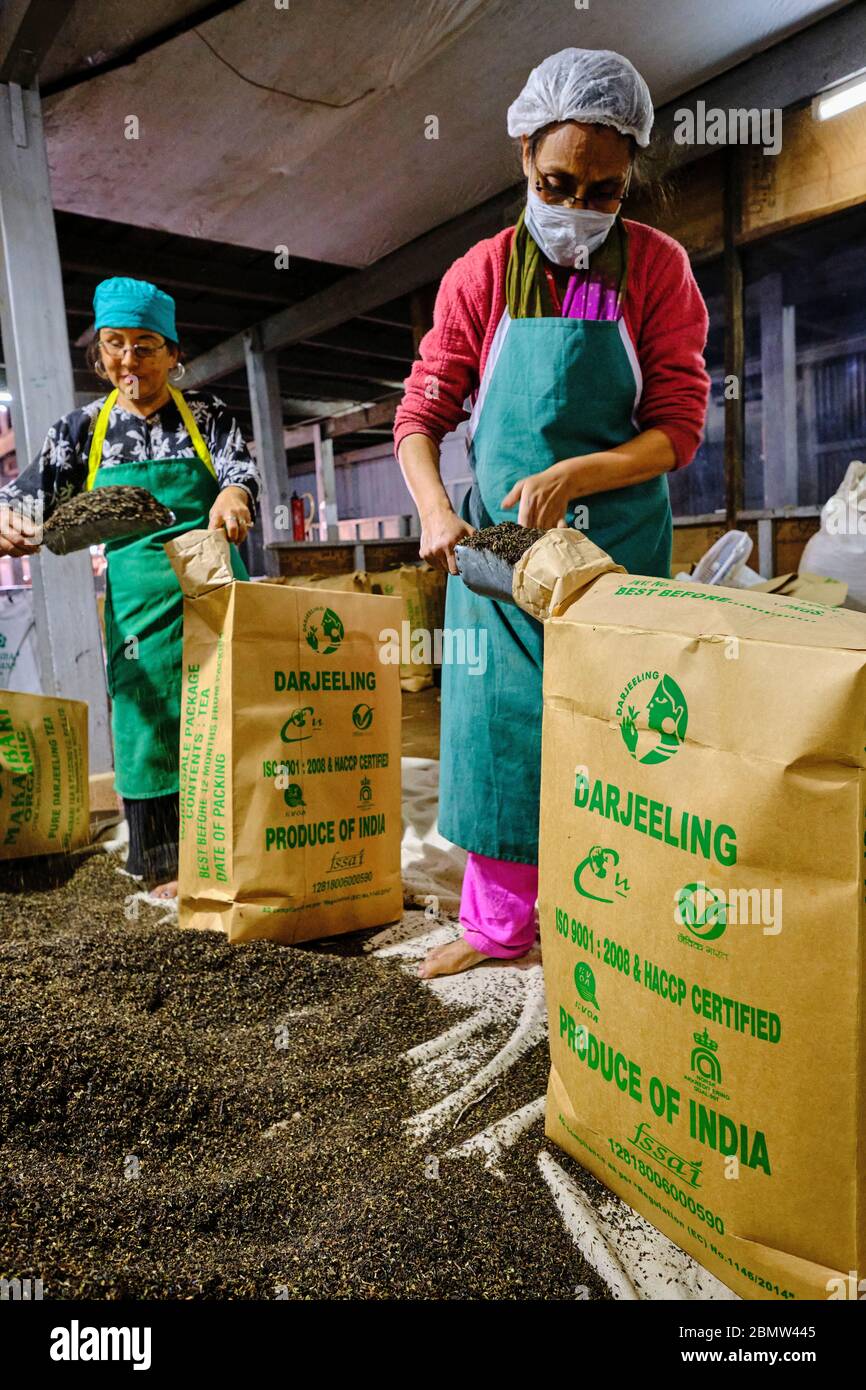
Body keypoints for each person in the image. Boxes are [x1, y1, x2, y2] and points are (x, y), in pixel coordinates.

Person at [394, 48, 710, 978]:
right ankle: (498, 927)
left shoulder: (657, 268)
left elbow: (677, 428)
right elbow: (420, 417)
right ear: (524, 155)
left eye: (604, 191)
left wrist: (580, 472)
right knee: (502, 733)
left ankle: (613, 916)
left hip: (616, 553)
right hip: (499, 560)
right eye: (556, 184)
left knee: (620, 734)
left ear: (630, 177)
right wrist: (435, 514)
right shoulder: (483, 273)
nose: (577, 207)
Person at [0, 277, 260, 897]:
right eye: (114, 344)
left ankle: (241, 849)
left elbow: (239, 472)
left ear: (173, 354)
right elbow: (26, 498)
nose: (129, 360)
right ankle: (166, 861)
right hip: (138, 610)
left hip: (214, 594)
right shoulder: (81, 431)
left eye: (146, 346)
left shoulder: (206, 415)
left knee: (229, 718)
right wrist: (7, 519)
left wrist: (233, 495)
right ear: (99, 353)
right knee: (147, 729)